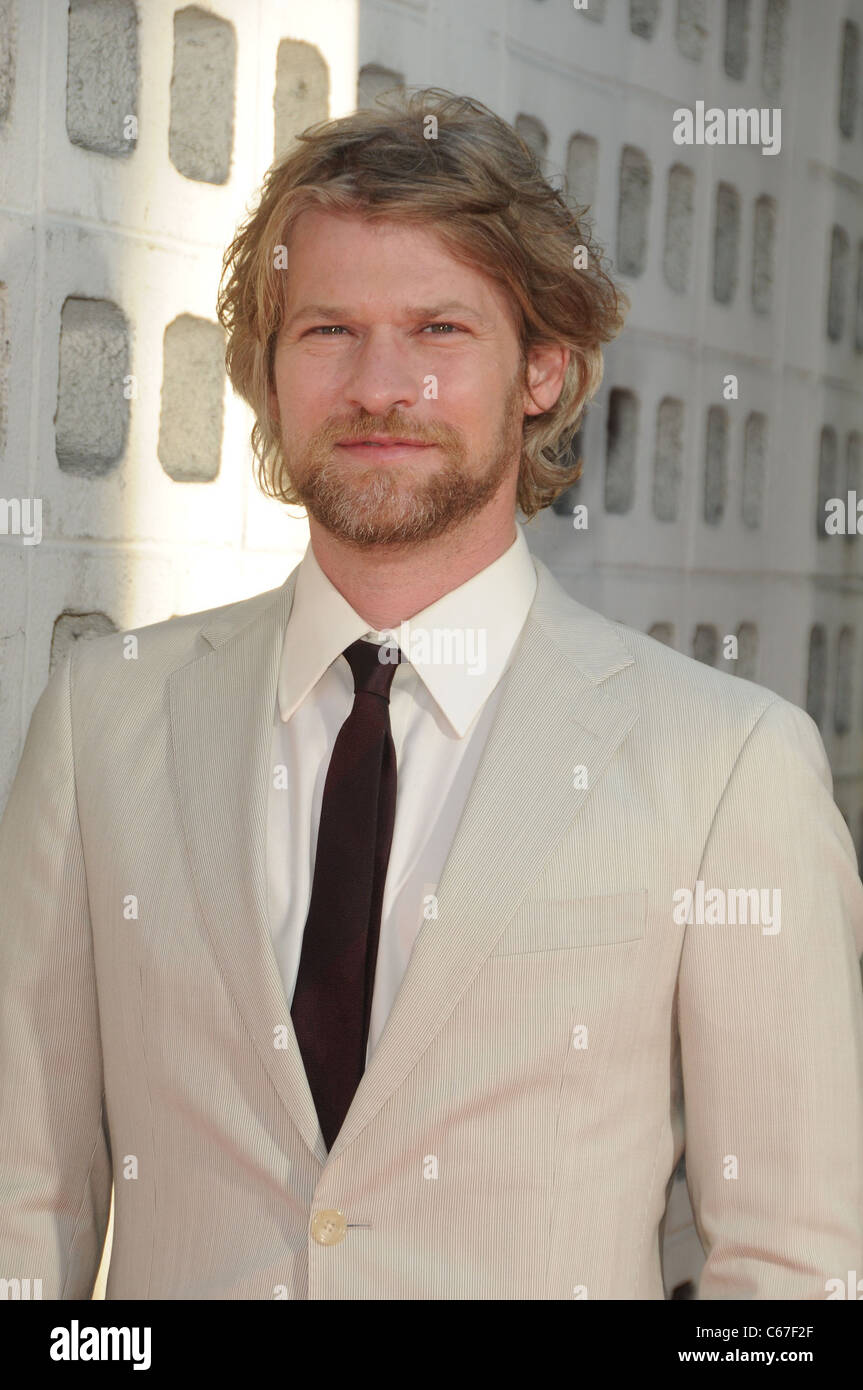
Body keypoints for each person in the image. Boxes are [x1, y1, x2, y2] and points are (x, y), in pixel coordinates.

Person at [1, 89, 861, 1301]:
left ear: (541, 368)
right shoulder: (103, 722)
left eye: (439, 330)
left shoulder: (725, 766)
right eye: (327, 331)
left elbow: (789, 1271)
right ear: (267, 368)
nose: (378, 384)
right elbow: (22, 1202)